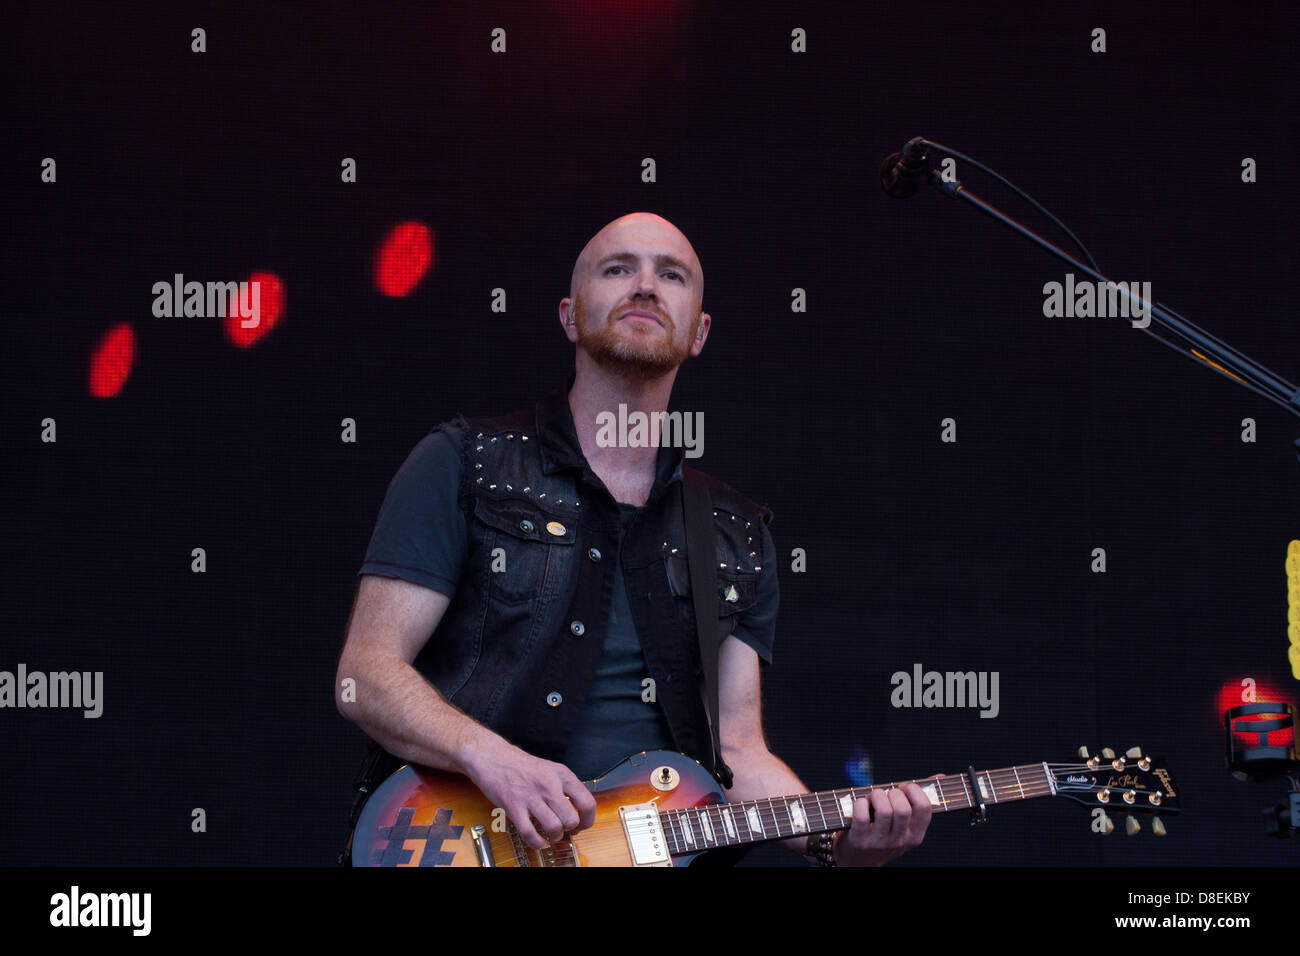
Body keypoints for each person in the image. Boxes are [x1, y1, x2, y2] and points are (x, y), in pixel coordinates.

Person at [335, 212, 933, 865]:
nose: (645, 286)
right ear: (569, 315)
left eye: (671, 275)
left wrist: (838, 844)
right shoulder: (463, 462)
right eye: (618, 269)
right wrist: (491, 759)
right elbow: (365, 676)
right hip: (465, 841)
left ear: (700, 332)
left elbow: (739, 753)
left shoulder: (734, 531)